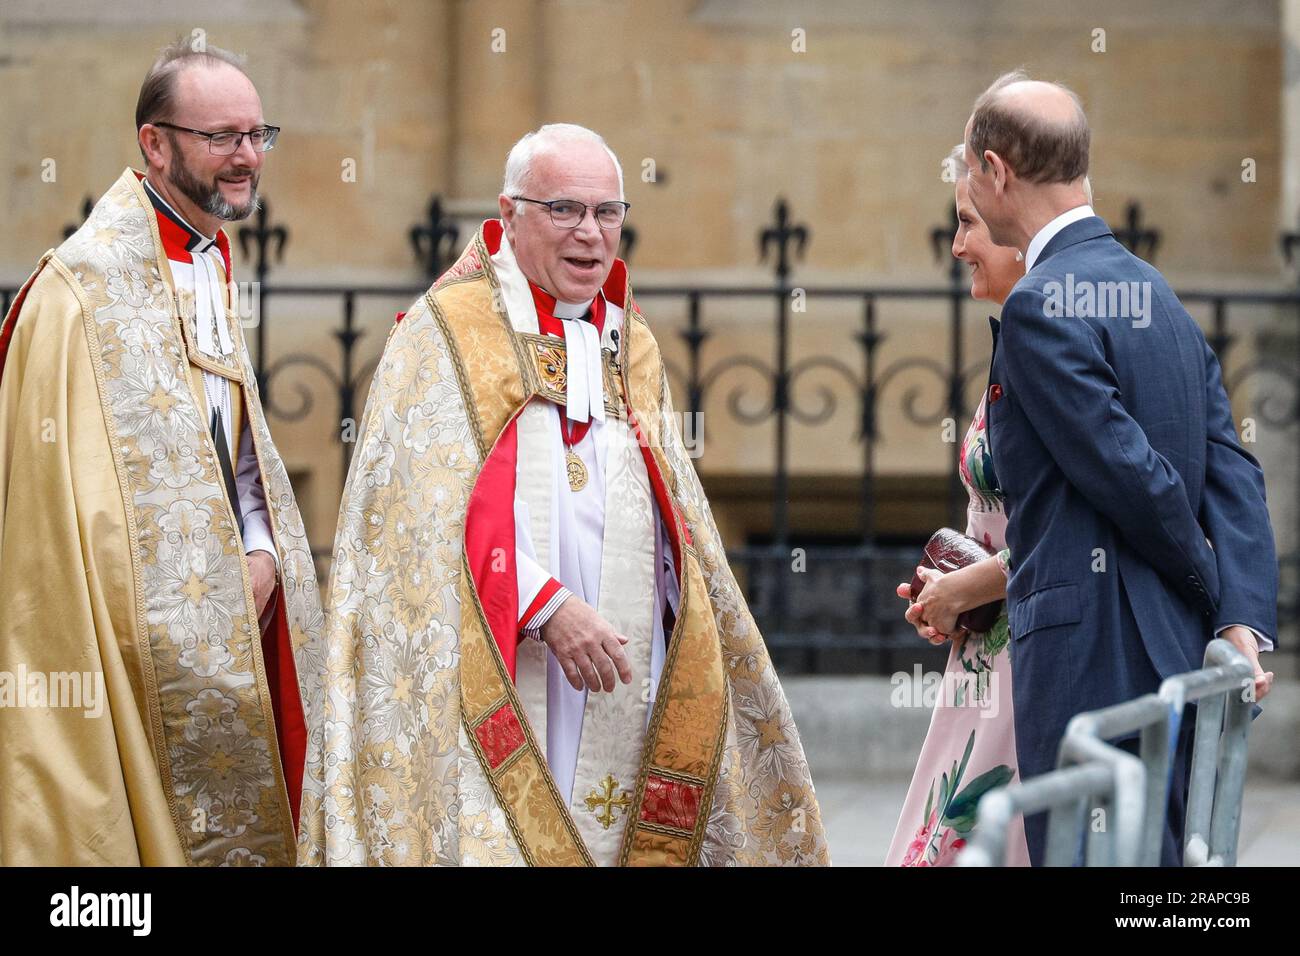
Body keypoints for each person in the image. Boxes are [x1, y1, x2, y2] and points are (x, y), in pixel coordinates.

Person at [299, 123, 829, 866]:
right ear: (508, 213)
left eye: (607, 213)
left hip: (623, 670)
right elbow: (411, 528)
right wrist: (544, 605)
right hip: (499, 675)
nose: (591, 234)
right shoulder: (442, 337)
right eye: (563, 210)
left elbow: (676, 513)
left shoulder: (630, 342)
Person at [0, 40, 321, 866]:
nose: (247, 156)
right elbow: (53, 515)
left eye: (257, 134)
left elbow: (233, 442)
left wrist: (257, 545)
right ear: (154, 142)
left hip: (227, 624)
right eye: (221, 136)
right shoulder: (80, 288)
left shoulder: (208, 256)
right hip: (129, 643)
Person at [957, 70, 1277, 865]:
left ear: (996, 171)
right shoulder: (1154, 289)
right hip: (1167, 650)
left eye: (968, 170)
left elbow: (1132, 478)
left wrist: (1214, 600)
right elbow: (1233, 470)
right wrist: (1241, 619)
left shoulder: (1039, 304)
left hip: (1091, 656)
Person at [884, 145, 1032, 866]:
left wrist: (970, 586)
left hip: (1029, 658)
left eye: (969, 222)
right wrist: (949, 593)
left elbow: (1076, 522)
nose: (958, 244)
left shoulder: (1050, 340)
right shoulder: (1015, 333)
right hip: (985, 656)